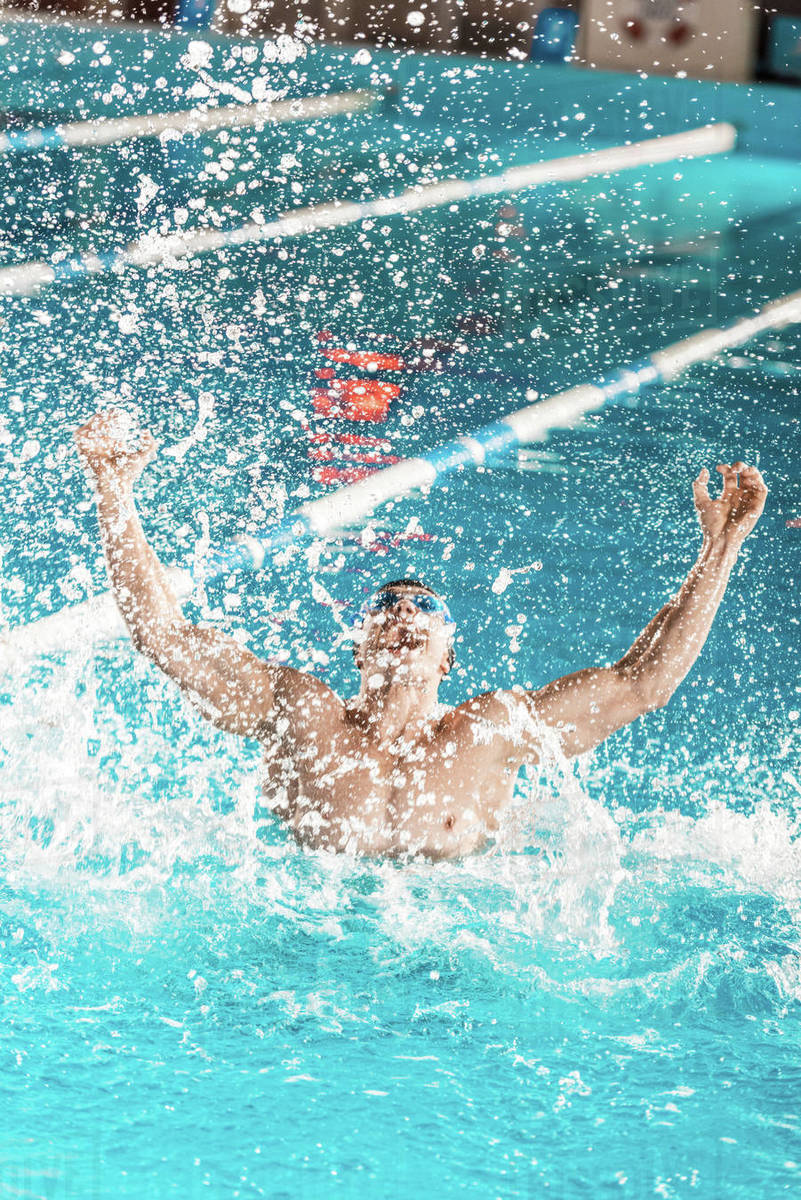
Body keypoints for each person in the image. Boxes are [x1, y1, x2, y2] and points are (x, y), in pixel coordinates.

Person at [74, 409, 768, 861]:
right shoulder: (300, 713)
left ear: (450, 654)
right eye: (386, 605)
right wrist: (114, 493)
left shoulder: (491, 728)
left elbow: (641, 683)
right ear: (358, 648)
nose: (403, 612)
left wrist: (722, 548)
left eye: (423, 608)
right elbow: (161, 633)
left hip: (449, 959)